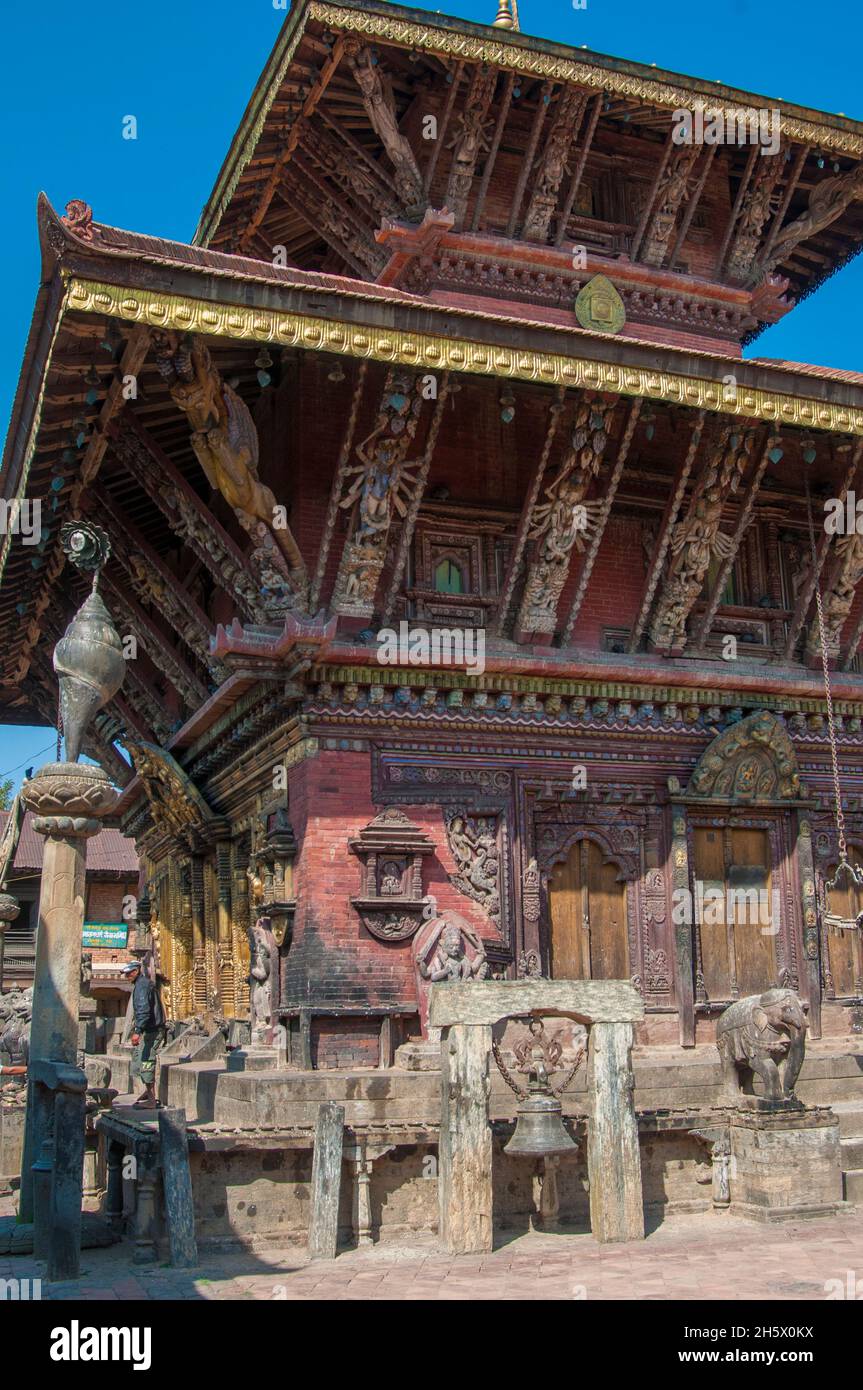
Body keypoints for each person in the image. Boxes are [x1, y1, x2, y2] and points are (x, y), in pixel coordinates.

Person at [121, 960, 166, 1108]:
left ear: (135, 972)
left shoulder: (142, 986)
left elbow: (143, 1010)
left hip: (152, 1030)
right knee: (139, 1061)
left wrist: (137, 1031)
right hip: (149, 1030)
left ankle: (152, 1100)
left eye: (128, 974)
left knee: (146, 1061)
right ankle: (148, 1091)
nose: (127, 977)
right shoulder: (141, 985)